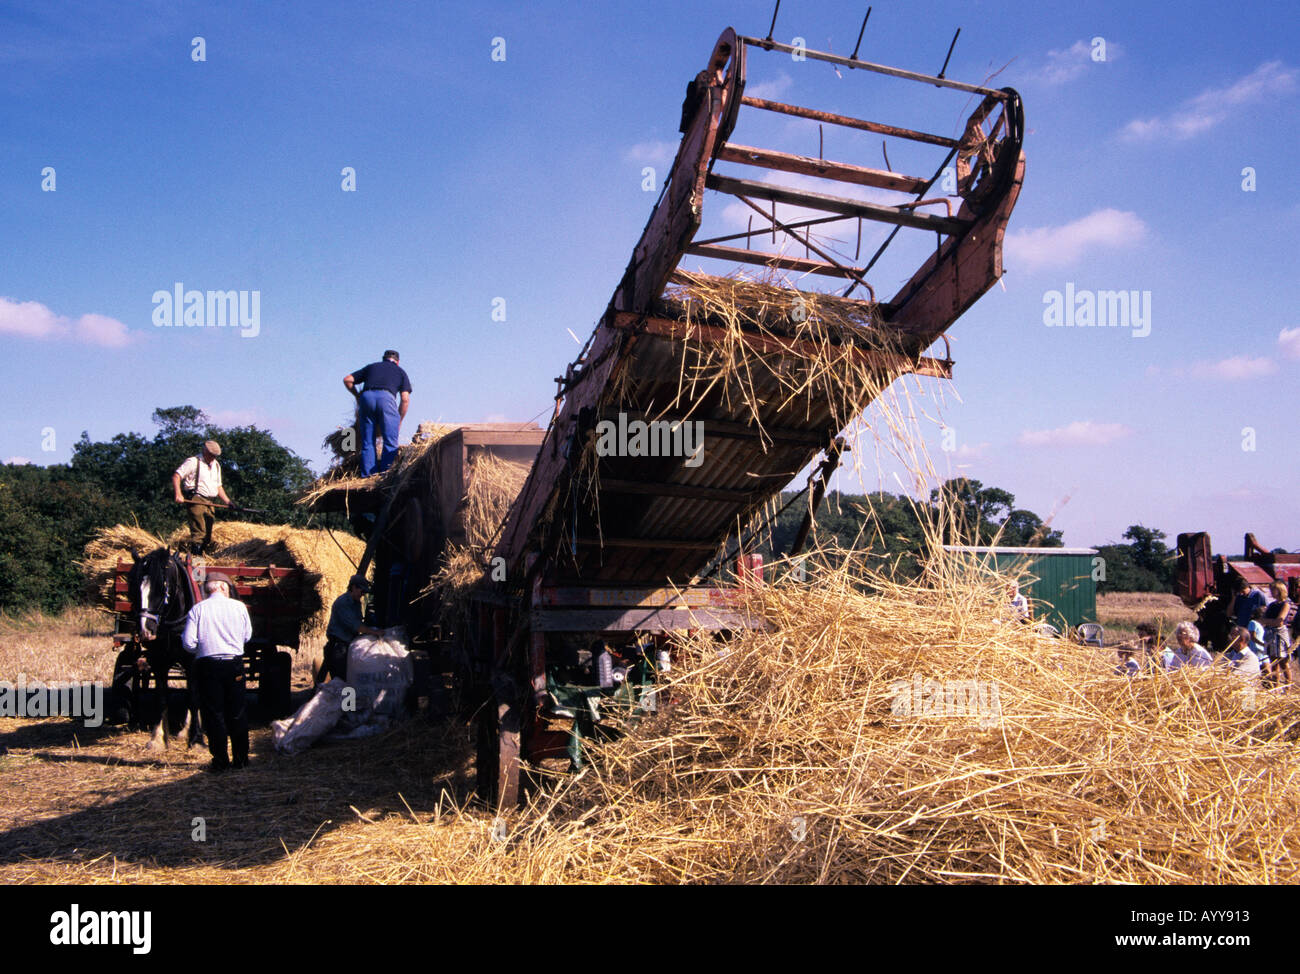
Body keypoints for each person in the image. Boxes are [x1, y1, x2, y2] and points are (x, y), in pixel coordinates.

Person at [181, 571, 252, 772]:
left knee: (214, 713)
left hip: (208, 666)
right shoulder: (239, 607)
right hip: (234, 664)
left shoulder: (198, 609)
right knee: (237, 711)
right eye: (228, 588)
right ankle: (241, 759)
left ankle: (220, 760)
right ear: (222, 587)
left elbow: (188, 643)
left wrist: (203, 648)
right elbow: (247, 636)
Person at [343, 350, 412, 476]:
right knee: (390, 441)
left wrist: (358, 396)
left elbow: (347, 380)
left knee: (368, 441)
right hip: (386, 399)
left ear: (383, 358)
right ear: (397, 361)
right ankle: (386, 474)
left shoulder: (372, 367)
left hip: (366, 398)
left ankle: (368, 475)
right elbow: (405, 399)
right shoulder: (401, 372)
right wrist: (399, 420)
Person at [172, 440, 233, 555]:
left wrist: (228, 501)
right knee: (199, 534)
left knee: (207, 536)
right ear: (204, 451)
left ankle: (201, 560)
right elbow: (176, 476)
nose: (213, 457)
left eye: (215, 455)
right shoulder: (193, 462)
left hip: (210, 502)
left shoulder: (216, 465)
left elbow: (218, 486)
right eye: (211, 455)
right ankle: (197, 567)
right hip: (196, 499)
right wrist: (178, 494)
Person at [321, 574, 382, 683]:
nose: (362, 595)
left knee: (350, 682)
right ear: (353, 587)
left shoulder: (356, 603)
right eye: (361, 591)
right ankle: (345, 700)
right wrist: (375, 632)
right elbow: (356, 626)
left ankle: (348, 700)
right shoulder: (343, 603)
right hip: (338, 649)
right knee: (342, 682)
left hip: (347, 647)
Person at [1261, 581, 1294, 686]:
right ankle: (1276, 686)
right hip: (1270, 634)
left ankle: (1288, 687)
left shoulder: (1286, 604)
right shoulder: (1272, 605)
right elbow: (1263, 619)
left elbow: (1279, 621)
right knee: (1273, 662)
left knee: (1283, 662)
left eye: (1273, 589)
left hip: (1279, 634)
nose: (1271, 591)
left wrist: (1267, 621)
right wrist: (1269, 621)